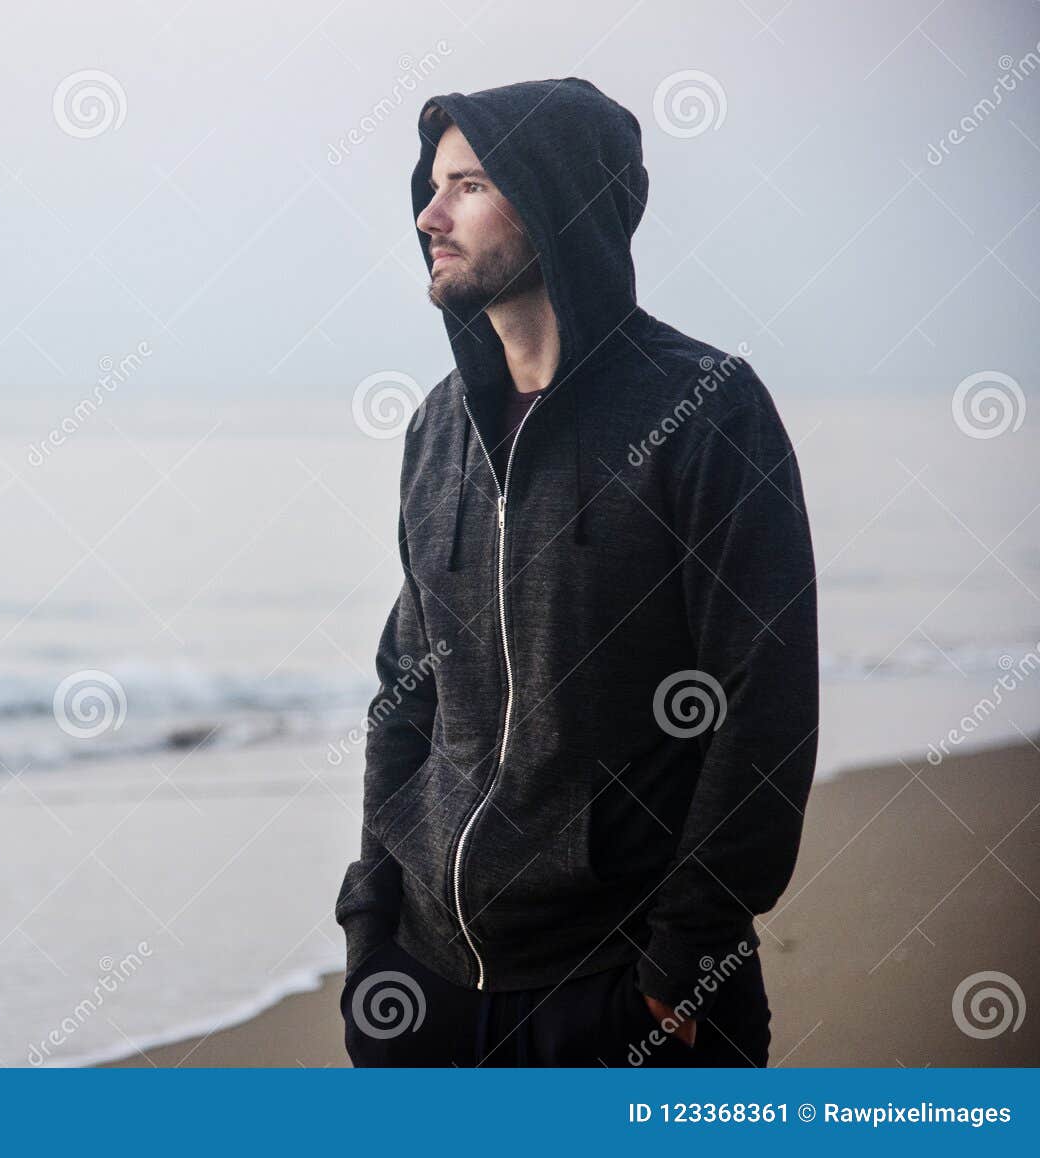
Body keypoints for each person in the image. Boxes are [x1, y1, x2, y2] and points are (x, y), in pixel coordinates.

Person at [333, 77, 819, 1067]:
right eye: (431, 186)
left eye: (467, 186)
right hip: (426, 984)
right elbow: (406, 689)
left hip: (621, 985)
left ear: (558, 201)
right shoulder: (437, 427)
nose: (429, 215)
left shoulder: (704, 409)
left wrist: (687, 953)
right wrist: (370, 917)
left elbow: (762, 699)